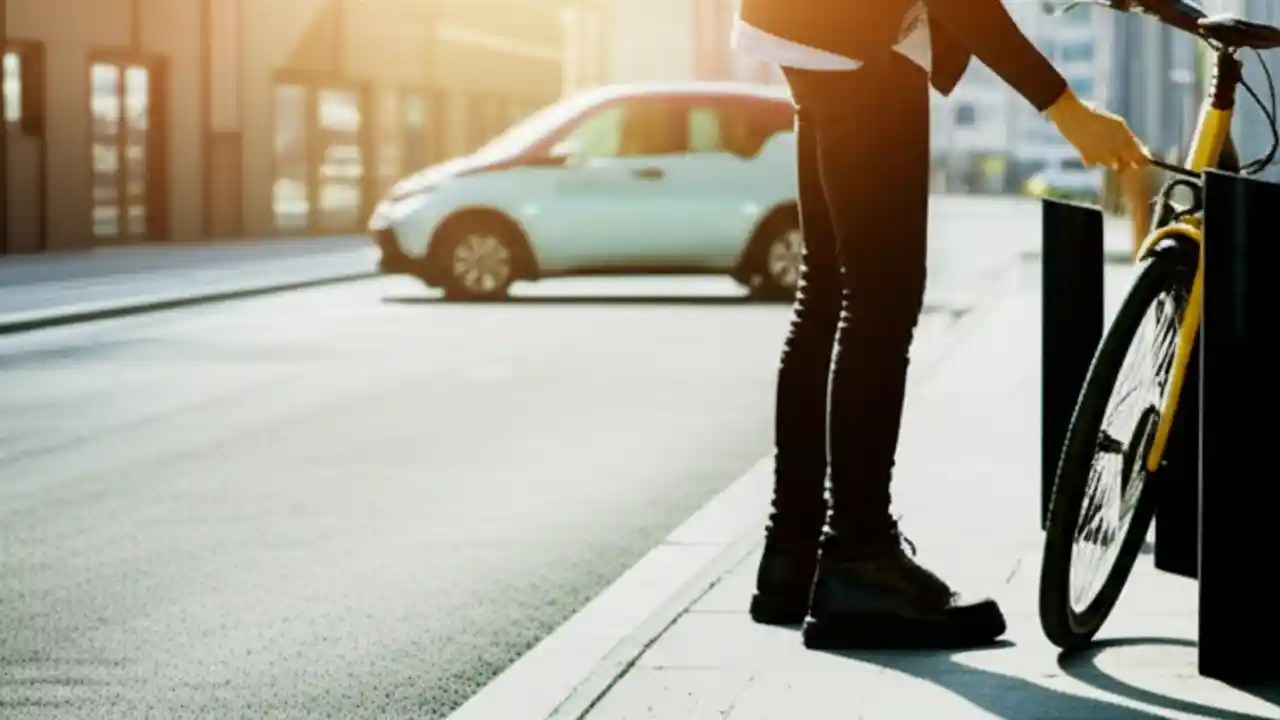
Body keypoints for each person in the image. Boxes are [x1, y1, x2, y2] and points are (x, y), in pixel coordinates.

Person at [733, 0, 1150, 649]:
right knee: (879, 298)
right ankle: (859, 559)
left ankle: (794, 554)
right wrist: (1064, 107)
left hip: (806, 31)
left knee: (831, 288)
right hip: (858, 41)